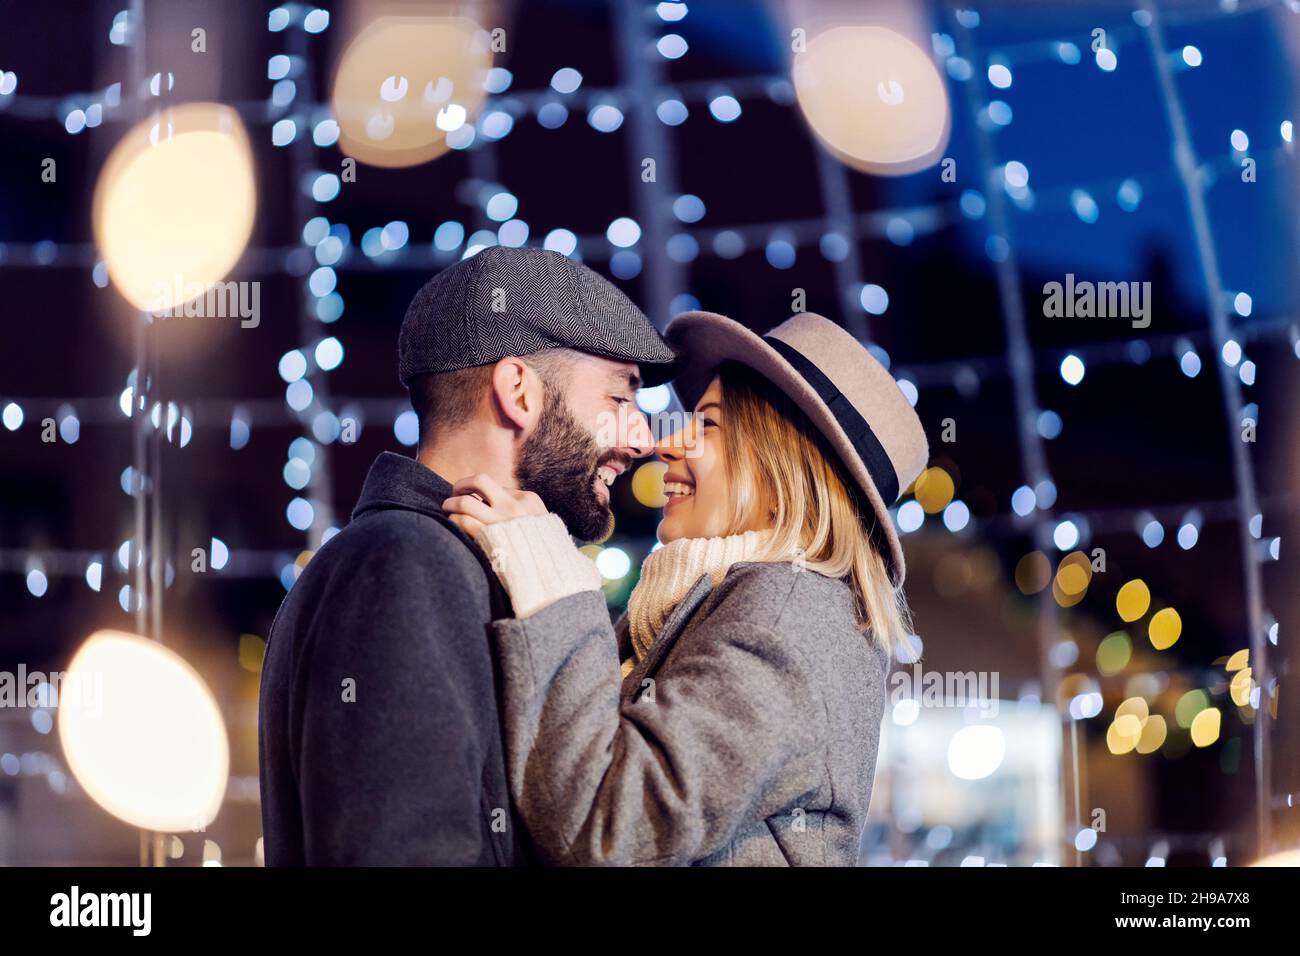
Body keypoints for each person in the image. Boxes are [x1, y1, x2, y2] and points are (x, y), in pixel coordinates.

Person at [444, 310, 929, 866]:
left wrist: (556, 592)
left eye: (709, 424)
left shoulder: (790, 618)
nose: (666, 445)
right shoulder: (707, 606)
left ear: (783, 468)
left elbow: (614, 831)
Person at [257, 246, 676, 865]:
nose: (642, 437)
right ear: (518, 392)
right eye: (619, 398)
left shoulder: (453, 559)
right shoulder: (405, 563)